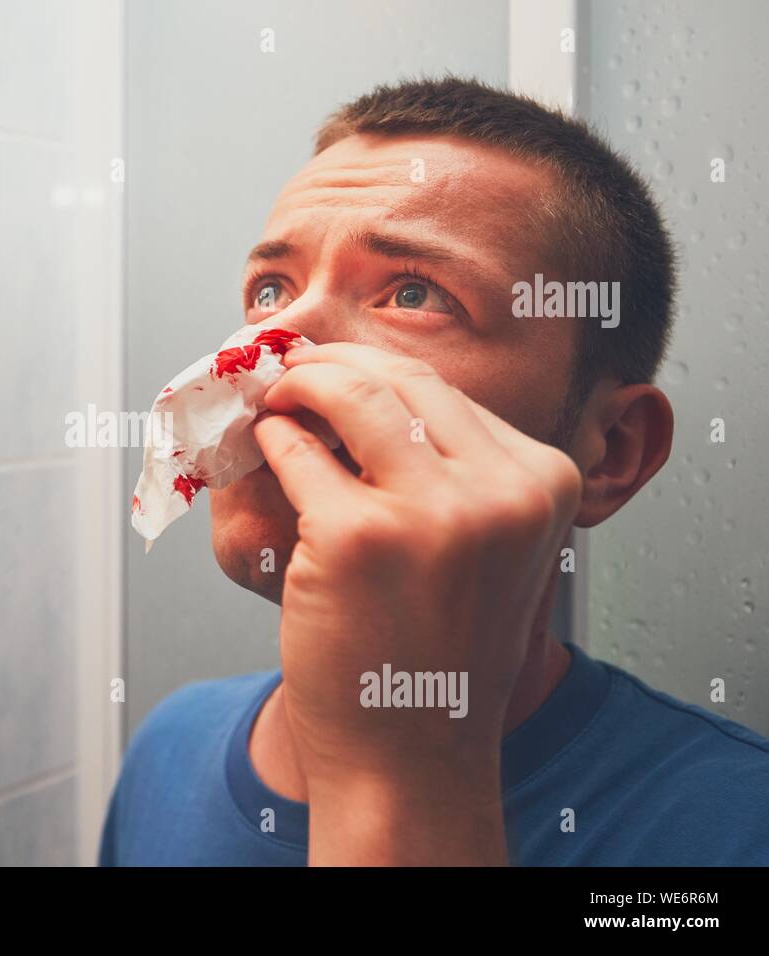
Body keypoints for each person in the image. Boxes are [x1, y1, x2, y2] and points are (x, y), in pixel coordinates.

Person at [99, 77, 769, 866]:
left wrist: (404, 778)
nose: (265, 356)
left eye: (413, 293)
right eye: (271, 290)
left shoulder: (732, 830)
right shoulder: (167, 743)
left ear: (612, 450)